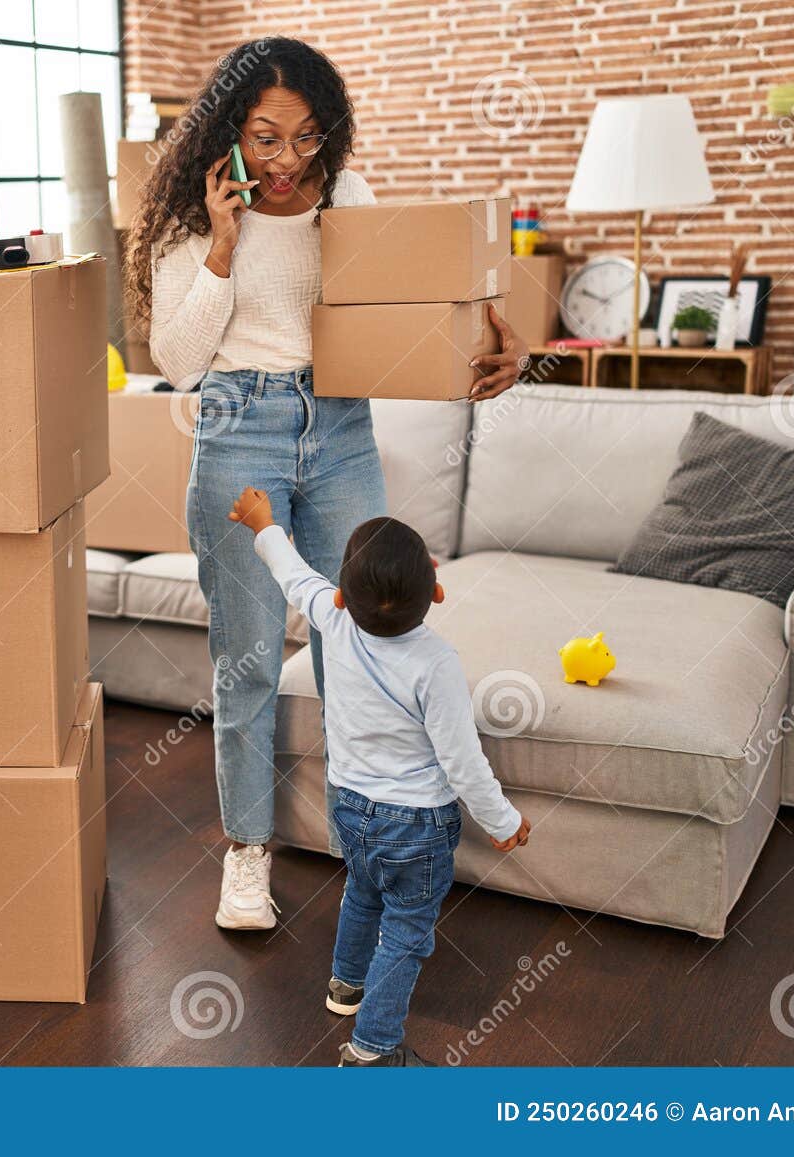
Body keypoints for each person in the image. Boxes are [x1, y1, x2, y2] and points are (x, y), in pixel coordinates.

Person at [124, 36, 528, 930]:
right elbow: (180, 363)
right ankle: (247, 852)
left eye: (307, 138)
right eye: (265, 138)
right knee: (249, 658)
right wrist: (225, 246)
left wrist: (501, 336)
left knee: (373, 631)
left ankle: (375, 835)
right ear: (230, 129)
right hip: (237, 425)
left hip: (340, 424)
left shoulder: (349, 198)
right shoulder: (191, 219)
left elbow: (422, 296)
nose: (286, 161)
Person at [227, 488, 531, 1066]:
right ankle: (373, 1051)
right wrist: (503, 821)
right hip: (415, 827)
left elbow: (293, 576)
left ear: (341, 596)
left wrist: (262, 524)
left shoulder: (333, 620)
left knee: (363, 893)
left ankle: (345, 986)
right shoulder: (436, 662)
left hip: (348, 807)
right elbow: (462, 760)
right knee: (407, 933)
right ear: (436, 594)